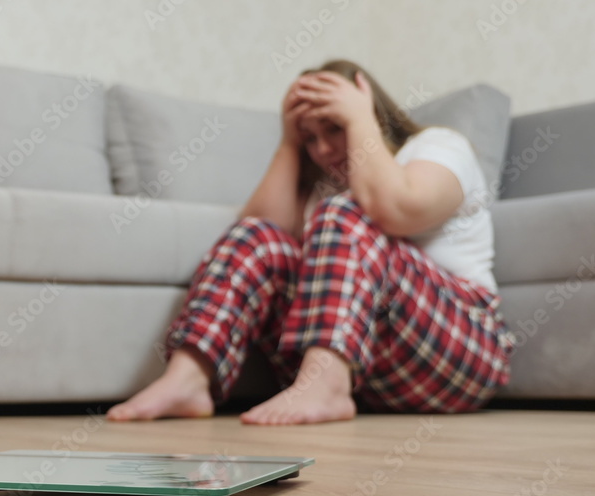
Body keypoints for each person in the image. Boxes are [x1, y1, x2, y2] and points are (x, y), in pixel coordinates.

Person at [107, 60, 513, 425]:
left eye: (333, 128)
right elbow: (260, 232)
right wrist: (288, 141)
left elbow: (396, 210)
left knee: (345, 211)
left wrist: (358, 119)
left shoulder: (438, 147)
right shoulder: (320, 189)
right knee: (254, 236)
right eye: (310, 138)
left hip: (461, 352)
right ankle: (188, 380)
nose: (322, 149)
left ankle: (327, 385)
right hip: (371, 372)